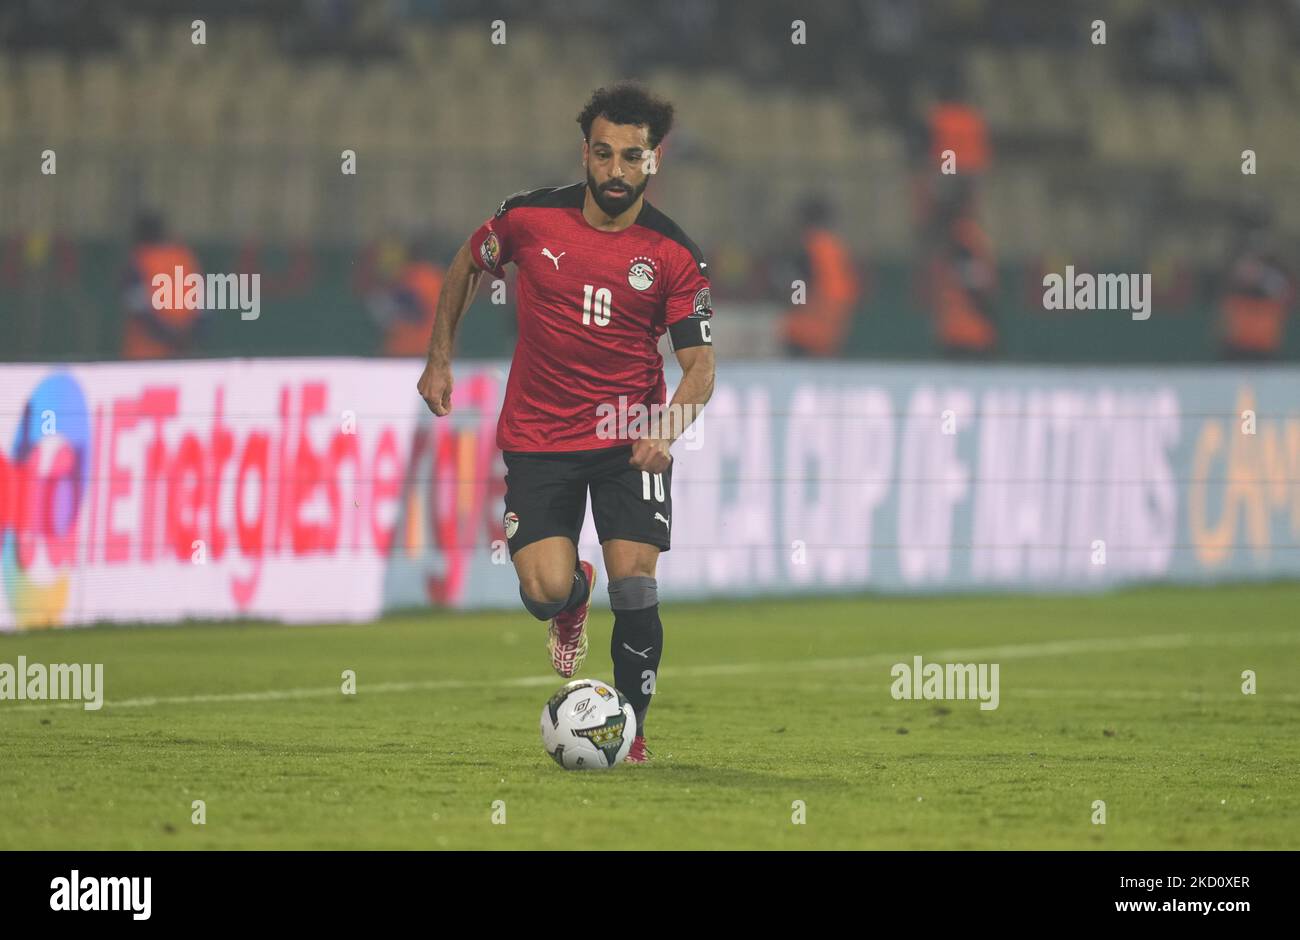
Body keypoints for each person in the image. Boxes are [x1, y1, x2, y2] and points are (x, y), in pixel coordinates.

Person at [417, 83, 716, 763]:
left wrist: (665, 430)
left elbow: (700, 366)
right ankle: (571, 599)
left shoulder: (673, 255)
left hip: (627, 438)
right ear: (585, 152)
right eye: (604, 154)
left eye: (631, 157)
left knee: (636, 580)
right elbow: (469, 264)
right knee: (544, 588)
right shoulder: (529, 220)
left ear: (652, 162)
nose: (615, 170)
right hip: (539, 437)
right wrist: (440, 359)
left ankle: (631, 733)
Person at [780, 196, 863, 357]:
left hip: (806, 329)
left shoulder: (808, 246)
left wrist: (798, 305)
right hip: (834, 325)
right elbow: (852, 287)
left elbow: (799, 283)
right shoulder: (837, 247)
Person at [121, 211, 204, 360]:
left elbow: (141, 311)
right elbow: (203, 308)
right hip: (184, 352)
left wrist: (170, 337)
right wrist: (185, 337)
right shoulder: (184, 257)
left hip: (146, 354)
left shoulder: (138, 261)